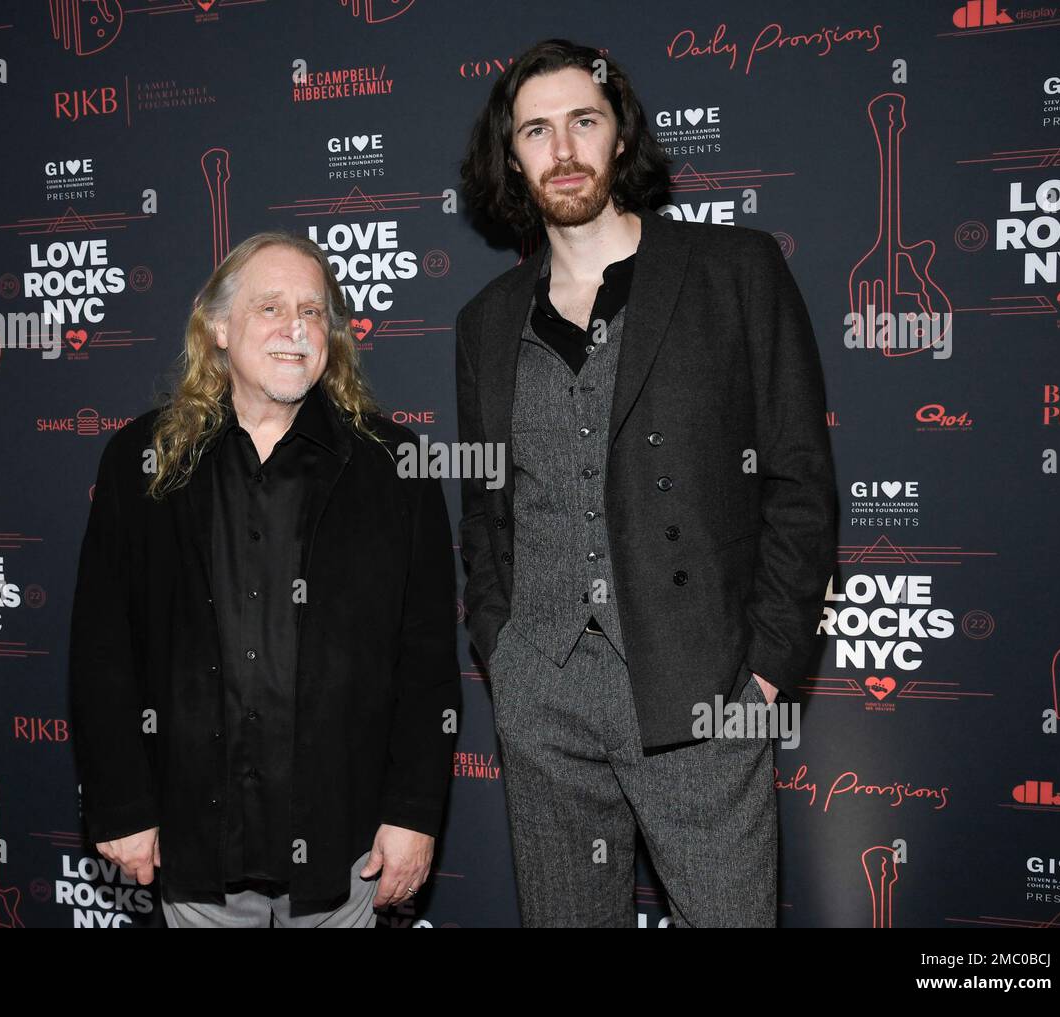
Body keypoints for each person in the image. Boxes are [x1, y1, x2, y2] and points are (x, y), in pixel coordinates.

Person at [455, 38, 838, 927]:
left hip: (702, 689)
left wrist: (768, 677)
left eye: (583, 121)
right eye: (536, 130)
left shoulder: (734, 272)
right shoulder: (485, 323)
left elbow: (800, 483)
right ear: (511, 157)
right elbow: (486, 505)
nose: (562, 150)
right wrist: (502, 647)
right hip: (543, 693)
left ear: (619, 134)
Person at [69, 231, 460, 927]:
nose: (295, 328)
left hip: (347, 850)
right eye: (270, 307)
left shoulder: (395, 465)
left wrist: (413, 813)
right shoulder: (142, 458)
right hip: (195, 846)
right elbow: (103, 649)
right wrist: (122, 804)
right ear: (218, 326)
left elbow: (426, 658)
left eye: (313, 312)